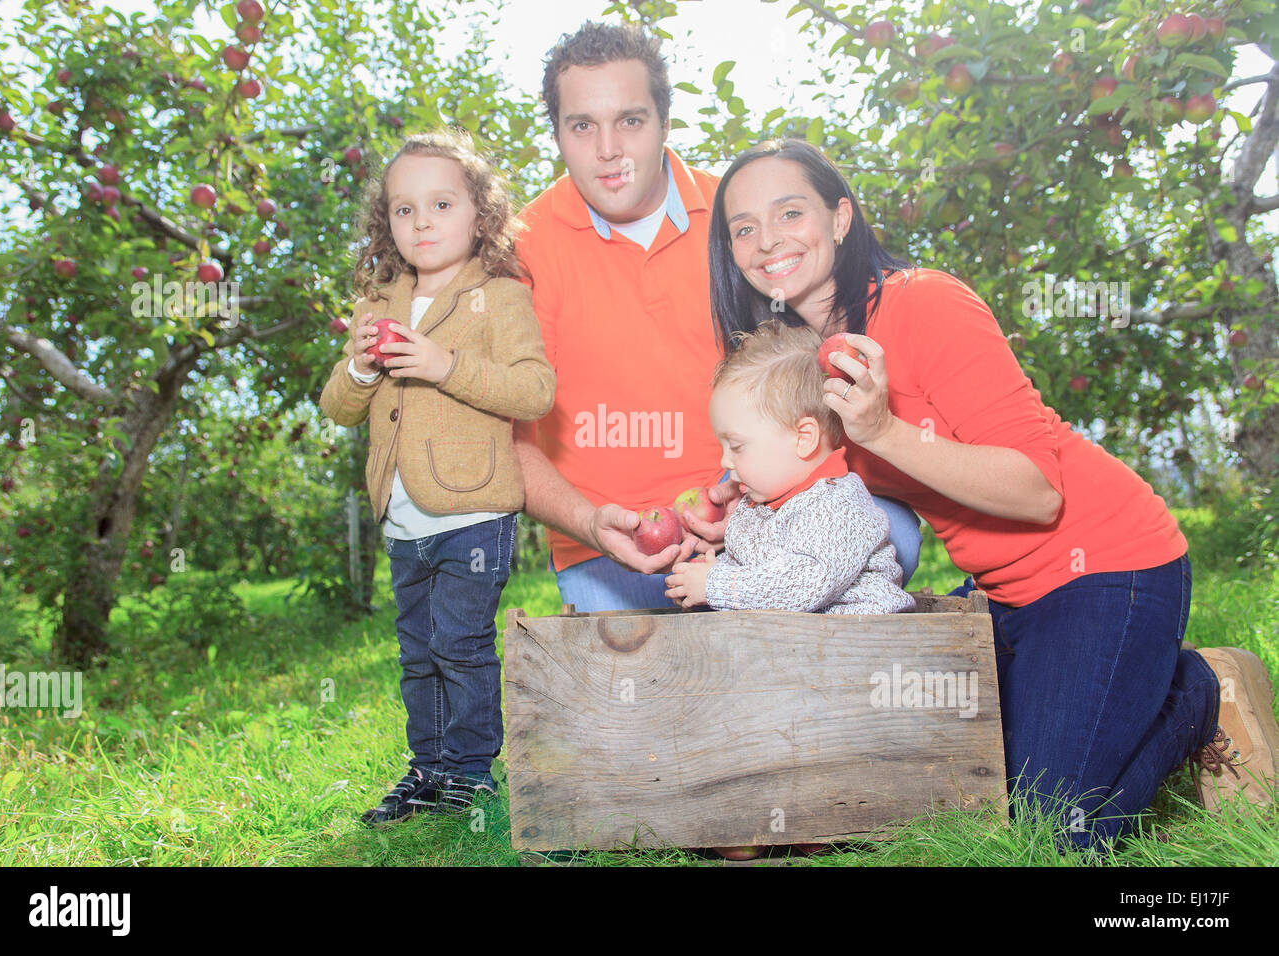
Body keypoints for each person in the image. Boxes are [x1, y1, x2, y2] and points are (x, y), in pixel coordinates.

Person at [702, 136, 1279, 847]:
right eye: (744, 228)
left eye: (790, 213)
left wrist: (882, 430)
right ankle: (1115, 688)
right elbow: (826, 489)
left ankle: (1193, 694)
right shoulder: (800, 361)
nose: (768, 241)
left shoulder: (925, 304)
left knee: (1048, 832)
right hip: (1003, 594)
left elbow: (1039, 494)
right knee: (955, 788)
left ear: (842, 218)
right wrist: (745, 507)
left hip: (1109, 565)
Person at [513, 21, 922, 614]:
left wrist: (758, 500)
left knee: (881, 536)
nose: (609, 149)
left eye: (630, 120)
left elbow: (817, 367)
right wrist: (587, 522)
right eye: (582, 126)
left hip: (776, 517)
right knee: (640, 693)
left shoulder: (744, 219)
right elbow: (505, 442)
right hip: (611, 549)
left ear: (664, 122)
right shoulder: (521, 249)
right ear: (556, 133)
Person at [319, 129, 556, 825]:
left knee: (460, 643)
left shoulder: (500, 297)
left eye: (442, 204)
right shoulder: (377, 305)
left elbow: (535, 391)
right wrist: (362, 366)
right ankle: (426, 768)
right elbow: (337, 408)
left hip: (472, 511)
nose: (422, 221)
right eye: (403, 209)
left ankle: (471, 772)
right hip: (401, 515)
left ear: (480, 216)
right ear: (385, 224)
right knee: (417, 651)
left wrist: (444, 365)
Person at [665, 321, 914, 616]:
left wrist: (717, 584)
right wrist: (708, 578)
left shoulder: (839, 507)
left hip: (857, 649)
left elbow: (804, 583)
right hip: (796, 647)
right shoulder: (754, 507)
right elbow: (756, 577)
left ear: (804, 438)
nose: (725, 462)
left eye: (737, 446)